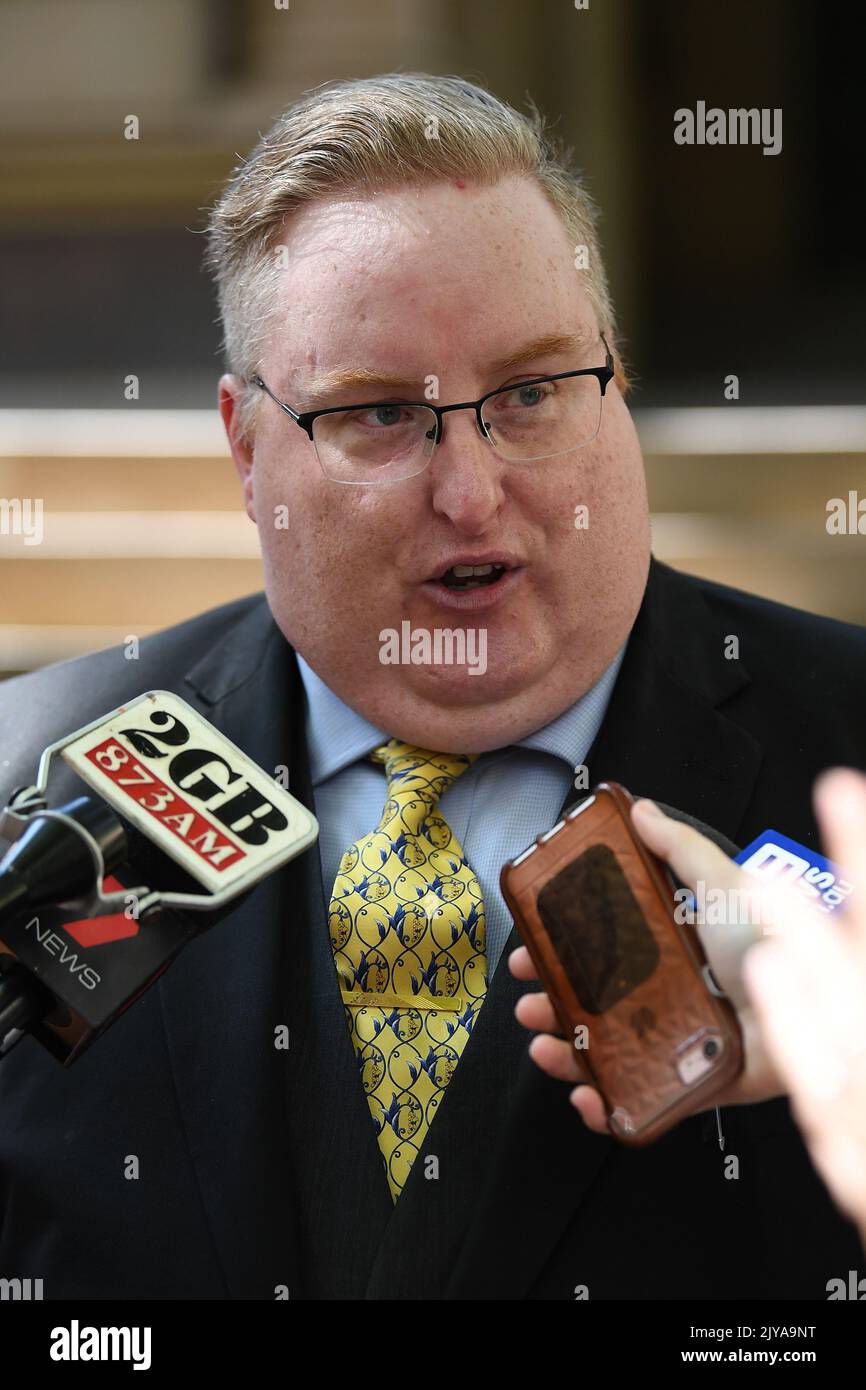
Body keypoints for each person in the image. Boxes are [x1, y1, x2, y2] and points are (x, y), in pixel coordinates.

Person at [0, 72, 865, 1300]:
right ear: (247, 448)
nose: (469, 491)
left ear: (615, 385)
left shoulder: (848, 755)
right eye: (378, 414)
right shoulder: (41, 786)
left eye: (530, 392)